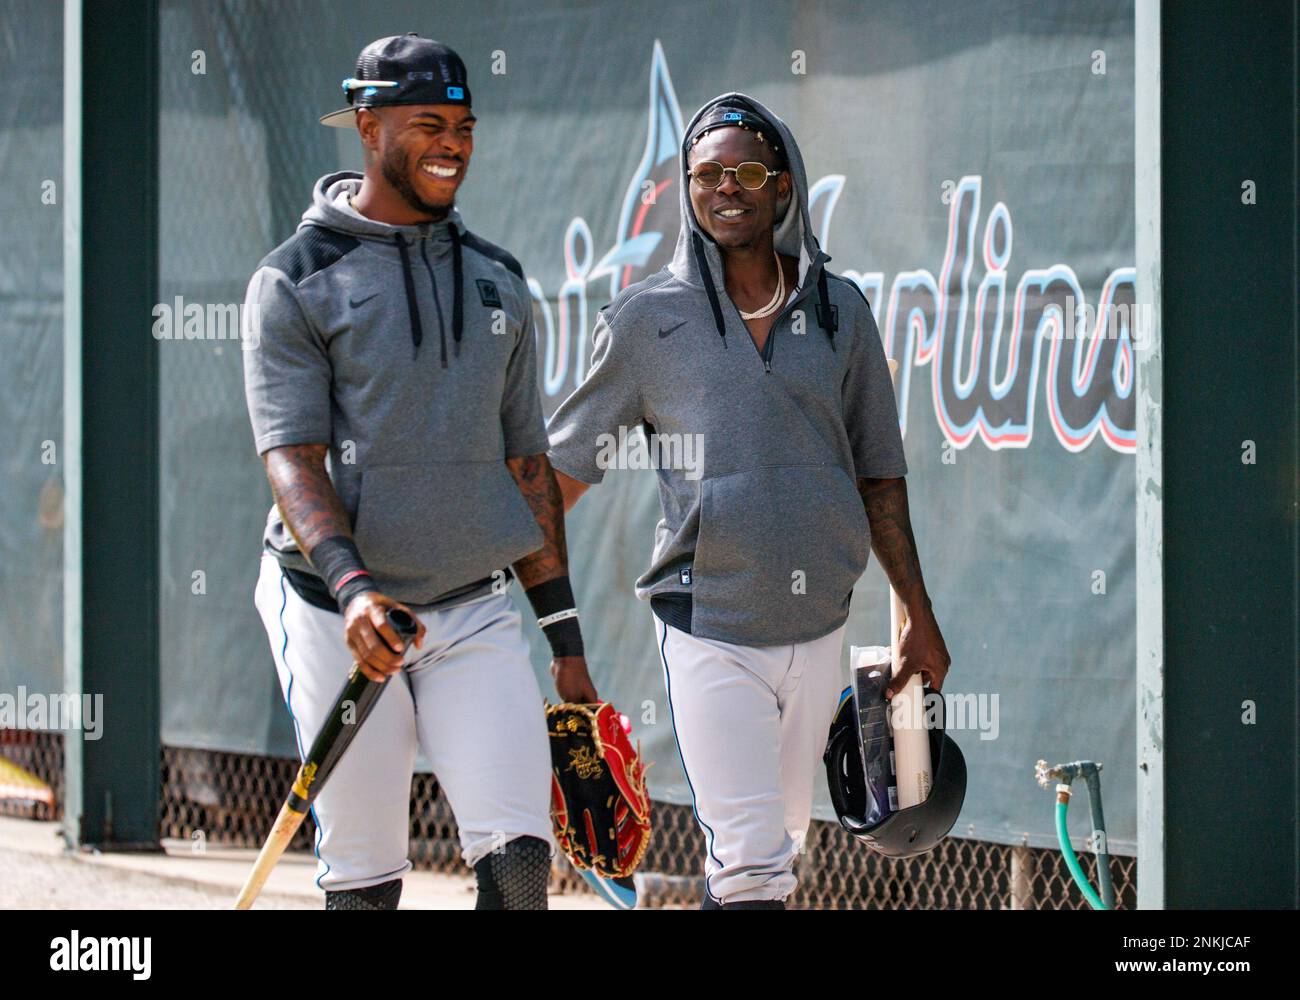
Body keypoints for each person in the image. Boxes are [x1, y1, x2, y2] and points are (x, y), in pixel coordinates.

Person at [546, 93, 950, 908]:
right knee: (753, 854)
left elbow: (880, 477)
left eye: (749, 172)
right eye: (707, 174)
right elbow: (557, 478)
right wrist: (474, 585)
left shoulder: (842, 315)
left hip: (817, 624)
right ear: (689, 189)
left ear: (784, 188)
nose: (728, 188)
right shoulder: (644, 322)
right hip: (709, 625)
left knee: (780, 845)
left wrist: (916, 609)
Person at [242, 33, 596, 911]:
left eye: (465, 126)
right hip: (335, 613)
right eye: (428, 124)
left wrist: (566, 642)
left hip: (470, 607)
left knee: (518, 873)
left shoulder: (499, 282)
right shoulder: (293, 280)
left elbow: (527, 468)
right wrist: (353, 587)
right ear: (367, 126)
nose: (453, 145)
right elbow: (293, 457)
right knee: (366, 885)